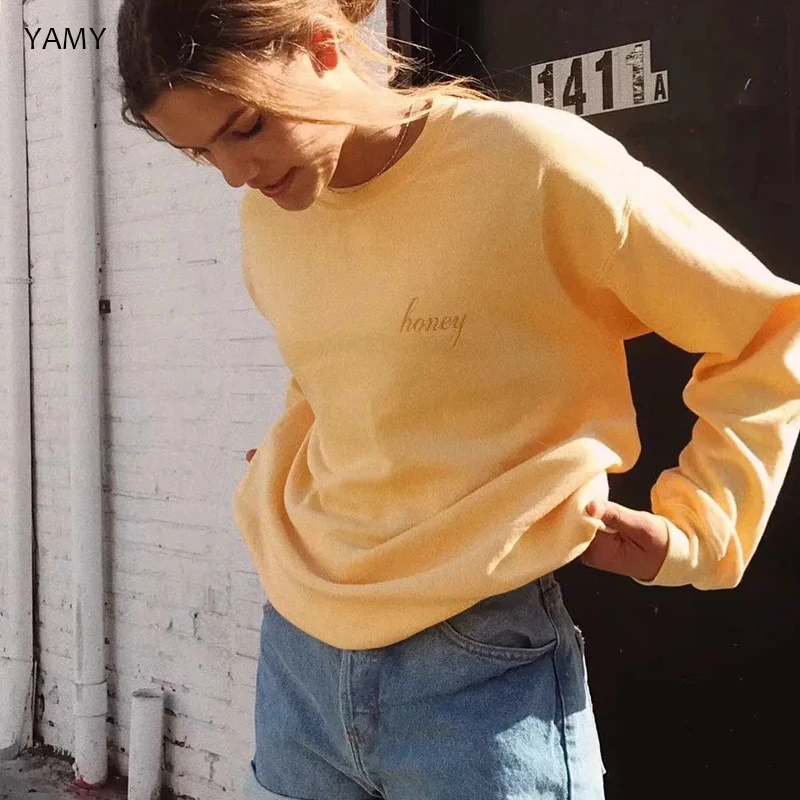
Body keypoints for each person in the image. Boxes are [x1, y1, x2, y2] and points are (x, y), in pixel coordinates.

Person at [116, 1, 800, 798]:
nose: (237, 173)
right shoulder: (269, 219)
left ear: (323, 47)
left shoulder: (533, 162)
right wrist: (297, 451)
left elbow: (765, 329)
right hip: (298, 657)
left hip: (479, 669)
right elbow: (331, 370)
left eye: (245, 127)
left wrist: (703, 527)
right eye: (201, 153)